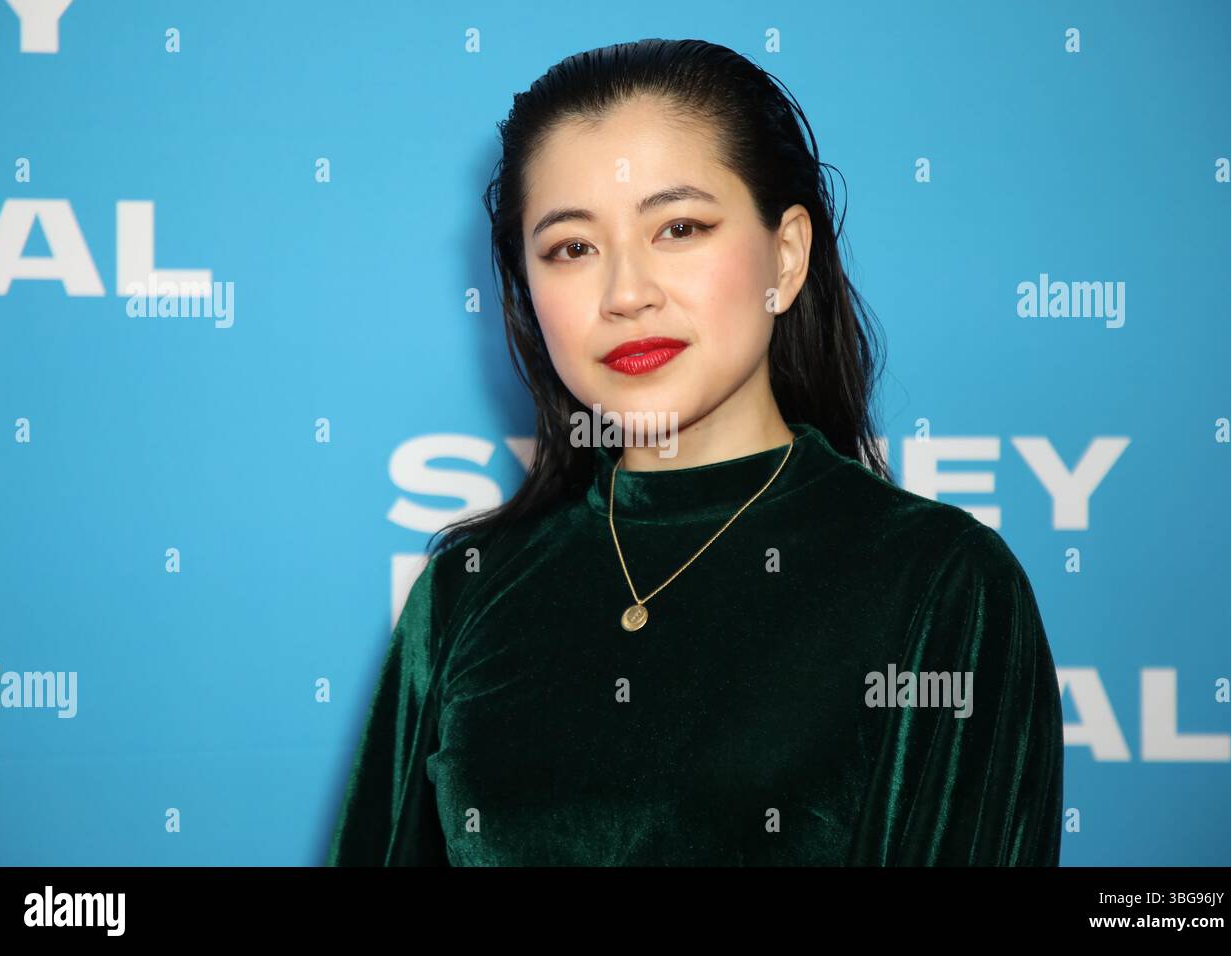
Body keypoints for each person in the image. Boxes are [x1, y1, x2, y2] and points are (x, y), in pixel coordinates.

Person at [326, 38, 1064, 866]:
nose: (627, 293)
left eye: (678, 228)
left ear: (786, 253)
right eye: (572, 247)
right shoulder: (466, 594)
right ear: (528, 291)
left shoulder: (941, 584)